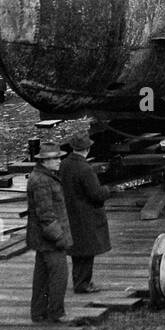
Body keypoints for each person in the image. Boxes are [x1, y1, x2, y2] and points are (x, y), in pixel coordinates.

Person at [59, 126, 112, 294]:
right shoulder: (85, 169)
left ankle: (79, 281)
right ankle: (83, 284)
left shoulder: (64, 165)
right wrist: (108, 190)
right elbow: (96, 194)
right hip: (86, 214)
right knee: (88, 250)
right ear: (87, 149)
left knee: (78, 251)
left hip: (70, 212)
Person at [26, 143, 72, 323]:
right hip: (49, 239)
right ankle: (56, 313)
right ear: (45, 161)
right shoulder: (42, 181)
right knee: (59, 276)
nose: (59, 161)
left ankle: (38, 312)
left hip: (42, 238)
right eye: (55, 158)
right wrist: (59, 237)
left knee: (42, 276)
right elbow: (45, 215)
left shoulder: (42, 177)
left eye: (59, 157)